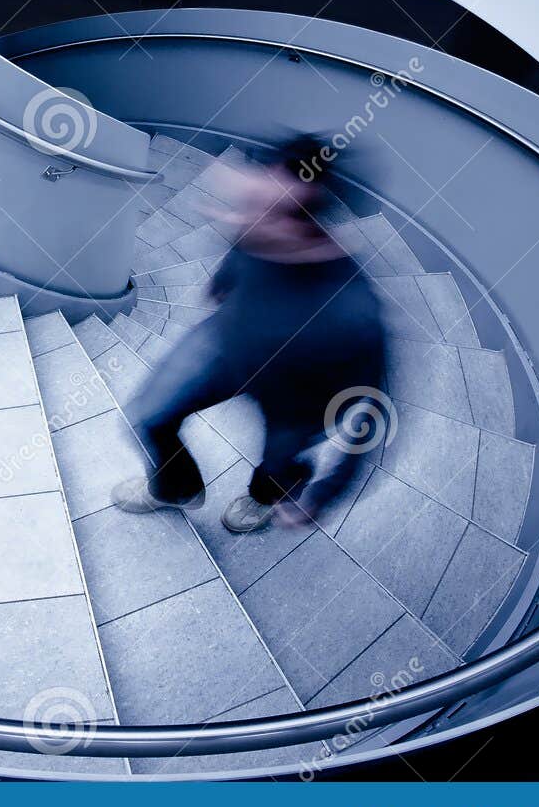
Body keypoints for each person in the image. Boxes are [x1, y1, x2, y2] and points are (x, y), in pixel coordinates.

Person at [114, 135, 387, 533]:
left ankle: (267, 494)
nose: (243, 220)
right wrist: (223, 283)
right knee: (150, 417)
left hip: (300, 393)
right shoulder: (259, 225)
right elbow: (238, 259)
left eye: (265, 211)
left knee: (279, 463)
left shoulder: (351, 308)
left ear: (303, 222)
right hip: (228, 345)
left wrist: (327, 492)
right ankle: (176, 487)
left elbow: (372, 406)